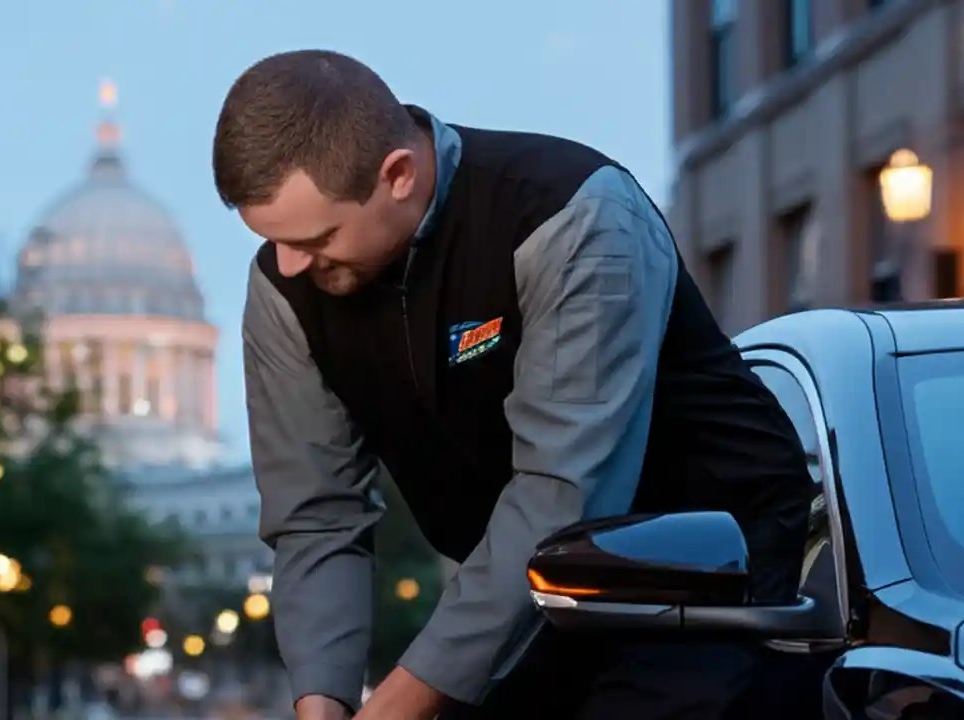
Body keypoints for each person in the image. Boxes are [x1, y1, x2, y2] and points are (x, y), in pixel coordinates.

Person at [213, 50, 814, 720]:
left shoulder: (571, 215)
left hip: (701, 565)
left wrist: (396, 703)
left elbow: (562, 489)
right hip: (523, 580)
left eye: (317, 237)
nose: (289, 265)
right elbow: (316, 515)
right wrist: (320, 700)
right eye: (273, 242)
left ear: (398, 175)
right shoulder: (284, 284)